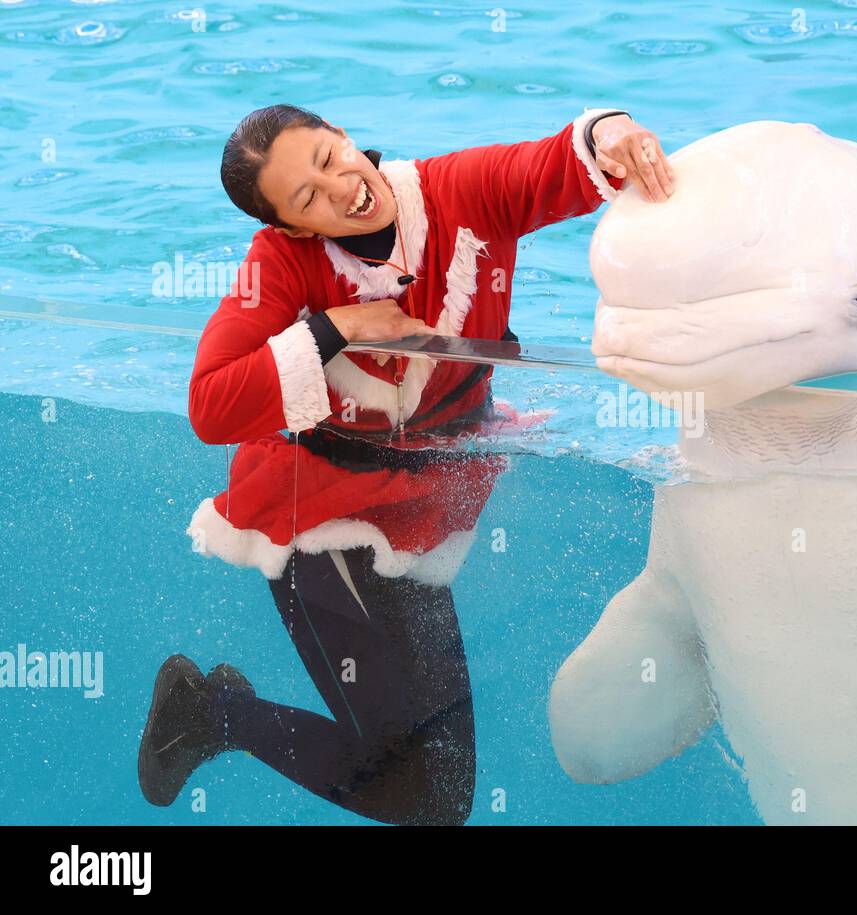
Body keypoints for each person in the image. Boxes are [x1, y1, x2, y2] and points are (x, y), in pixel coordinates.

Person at [138, 104, 676, 825]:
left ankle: (215, 710)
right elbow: (210, 403)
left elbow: (555, 163)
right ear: (293, 225)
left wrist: (611, 133)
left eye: (332, 156)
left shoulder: (457, 193)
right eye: (308, 196)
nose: (340, 186)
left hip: (419, 520)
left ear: (345, 135)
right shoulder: (282, 261)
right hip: (316, 522)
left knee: (443, 792)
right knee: (423, 801)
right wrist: (340, 327)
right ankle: (213, 713)